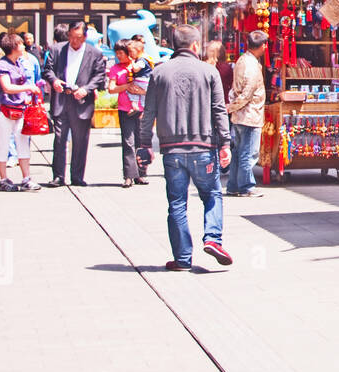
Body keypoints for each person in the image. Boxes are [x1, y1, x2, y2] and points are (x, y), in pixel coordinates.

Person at [141, 24, 233, 271]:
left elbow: (148, 112)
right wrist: (225, 143)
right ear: (194, 45)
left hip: (172, 149)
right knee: (212, 194)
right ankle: (213, 238)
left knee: (177, 203)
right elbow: (219, 110)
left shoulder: (159, 73)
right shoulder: (208, 71)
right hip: (203, 147)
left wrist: (143, 145)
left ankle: (182, 259)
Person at [42, 21, 106, 187]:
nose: (74, 41)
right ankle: (58, 176)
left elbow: (99, 76)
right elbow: (47, 69)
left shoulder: (95, 53)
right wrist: (54, 80)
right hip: (62, 98)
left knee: (80, 140)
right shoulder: (57, 50)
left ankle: (77, 176)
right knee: (59, 139)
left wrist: (87, 89)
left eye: (78, 38)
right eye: (71, 37)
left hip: (82, 100)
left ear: (85, 37)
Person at [0, 33, 43, 192]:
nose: (23, 46)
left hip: (20, 108)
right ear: (14, 47)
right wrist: (28, 88)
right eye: (20, 44)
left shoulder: (20, 62)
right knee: (4, 143)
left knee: (23, 143)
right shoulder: (2, 65)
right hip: (4, 109)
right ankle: (4, 179)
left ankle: (26, 178)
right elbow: (7, 87)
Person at [226, 30, 269, 198]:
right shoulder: (251, 65)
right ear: (263, 46)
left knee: (238, 152)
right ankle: (246, 186)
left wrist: (233, 107)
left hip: (240, 115)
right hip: (249, 115)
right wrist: (233, 107)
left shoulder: (242, 60)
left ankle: (233, 185)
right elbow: (247, 92)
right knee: (247, 152)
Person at [106, 42, 149, 188]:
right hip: (125, 109)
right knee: (128, 142)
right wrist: (127, 87)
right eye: (116, 53)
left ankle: (141, 174)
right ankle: (129, 175)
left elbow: (150, 83)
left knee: (141, 141)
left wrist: (142, 92)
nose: (118, 56)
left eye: (121, 53)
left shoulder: (139, 64)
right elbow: (111, 89)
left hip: (141, 109)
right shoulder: (115, 69)